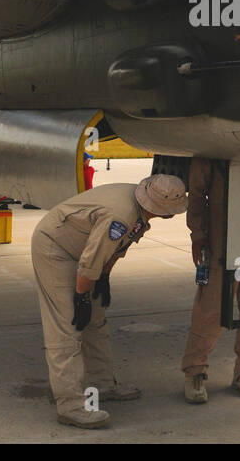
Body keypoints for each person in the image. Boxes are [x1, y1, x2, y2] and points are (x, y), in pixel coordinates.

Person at [30, 174, 188, 429]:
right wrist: (81, 297)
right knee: (67, 327)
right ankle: (70, 406)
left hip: (82, 251)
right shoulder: (121, 216)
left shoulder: (138, 211)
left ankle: (102, 385)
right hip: (55, 249)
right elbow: (91, 259)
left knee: (96, 320)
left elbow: (114, 249)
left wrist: (103, 278)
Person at [181, 157, 240, 403]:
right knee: (210, 309)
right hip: (221, 239)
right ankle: (195, 371)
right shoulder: (215, 143)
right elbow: (197, 193)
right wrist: (198, 234)